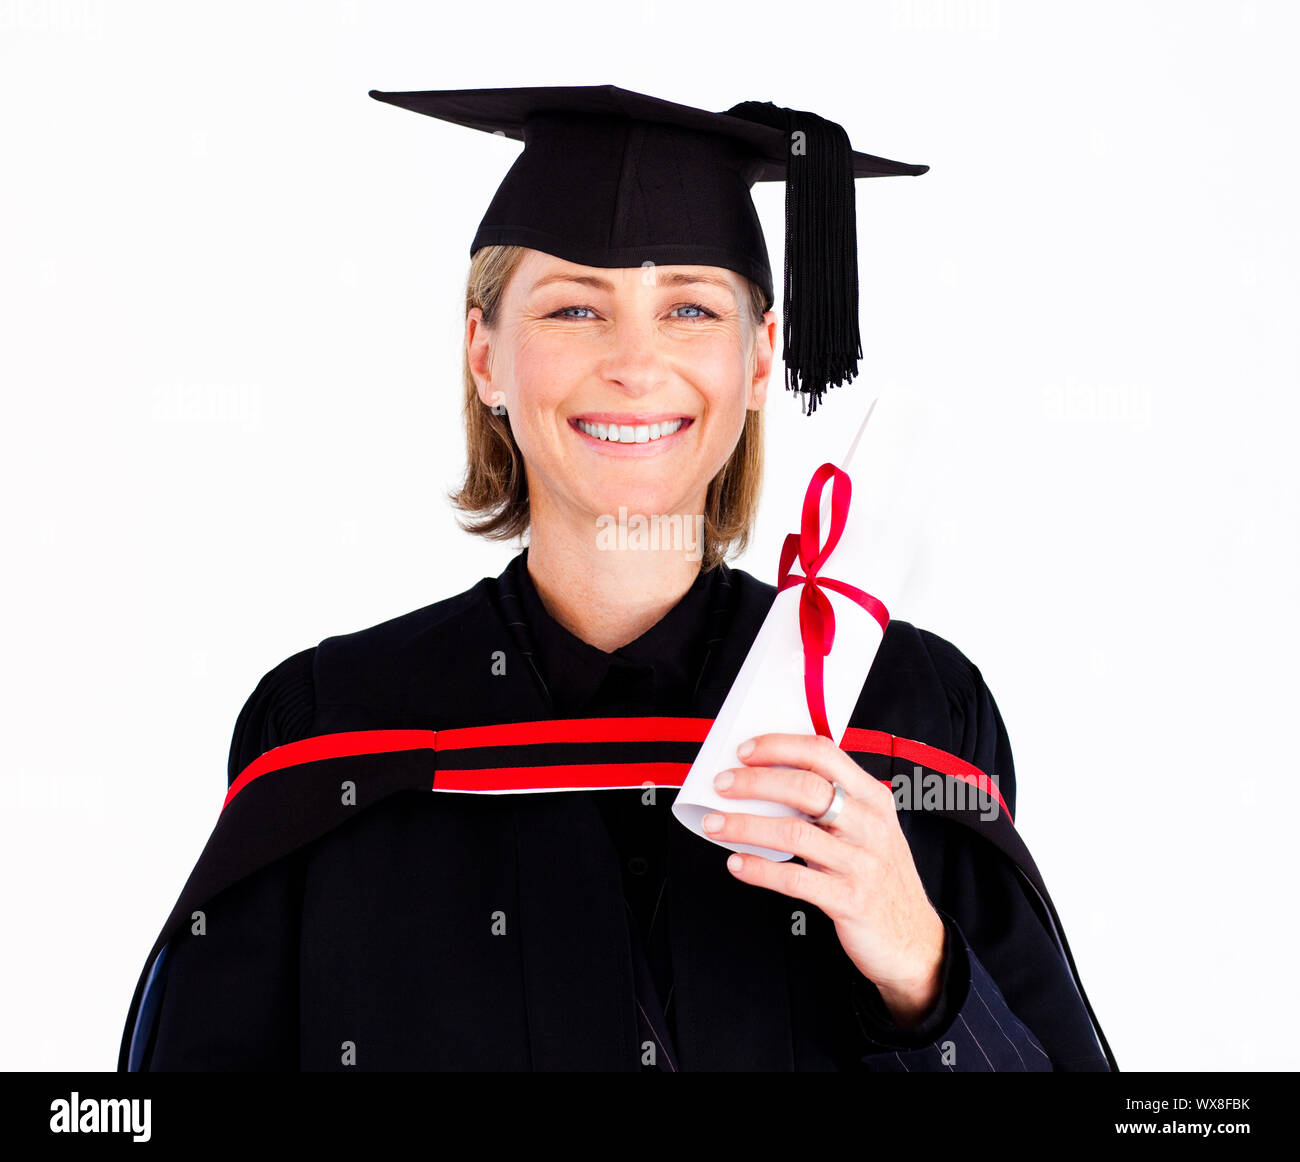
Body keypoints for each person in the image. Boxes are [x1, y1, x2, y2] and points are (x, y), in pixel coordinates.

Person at [119, 85, 1116, 1072]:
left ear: (761, 357)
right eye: (572, 308)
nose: (635, 363)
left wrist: (923, 971)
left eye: (688, 306)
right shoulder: (333, 726)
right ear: (486, 356)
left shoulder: (903, 710)